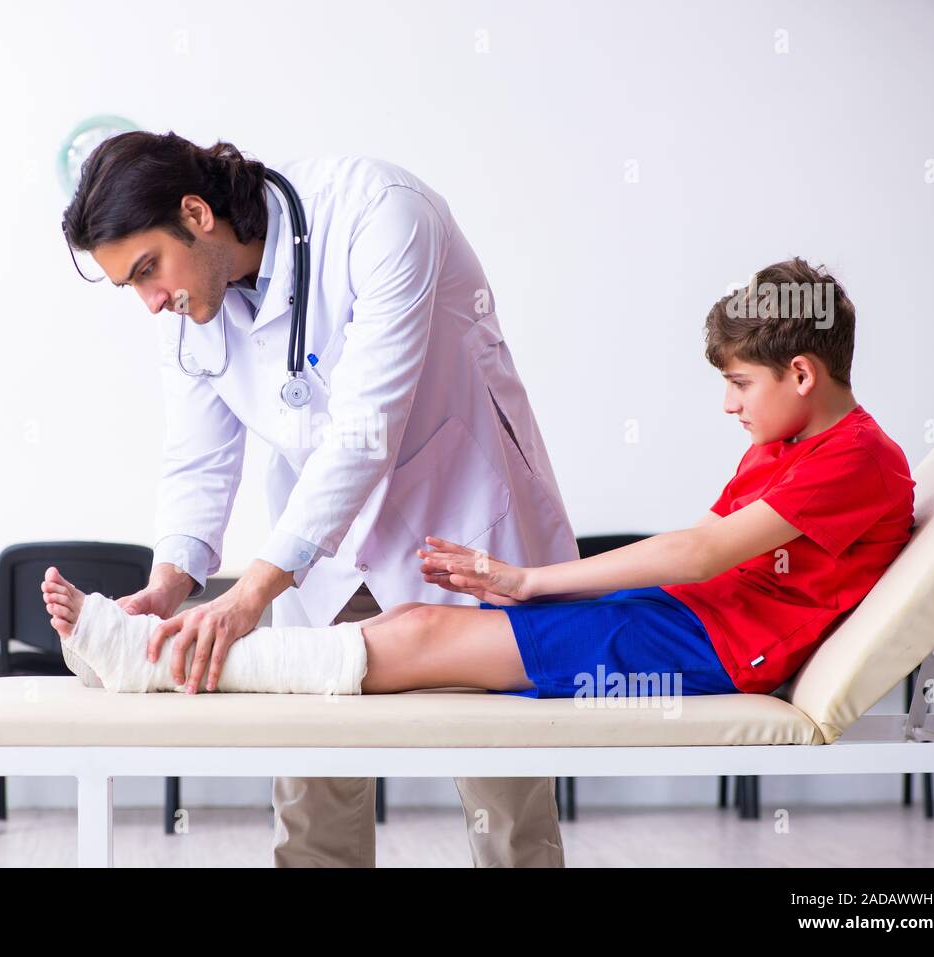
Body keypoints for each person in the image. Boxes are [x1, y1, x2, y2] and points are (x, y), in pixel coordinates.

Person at [44, 257, 914, 717]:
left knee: (424, 629)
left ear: (801, 372)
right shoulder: (803, 437)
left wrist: (525, 580)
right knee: (413, 625)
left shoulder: (854, 459)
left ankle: (144, 661)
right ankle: (151, 651)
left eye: (742, 385)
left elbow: (699, 548)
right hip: (698, 618)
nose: (729, 405)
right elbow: (700, 559)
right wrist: (523, 583)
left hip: (717, 649)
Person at [60, 131, 578, 867]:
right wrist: (167, 584)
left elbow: (367, 428)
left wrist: (253, 592)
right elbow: (198, 462)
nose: (151, 301)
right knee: (313, 798)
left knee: (504, 799)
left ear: (197, 212)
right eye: (131, 286)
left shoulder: (380, 214)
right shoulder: (188, 308)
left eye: (149, 269)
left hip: (461, 525)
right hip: (323, 555)